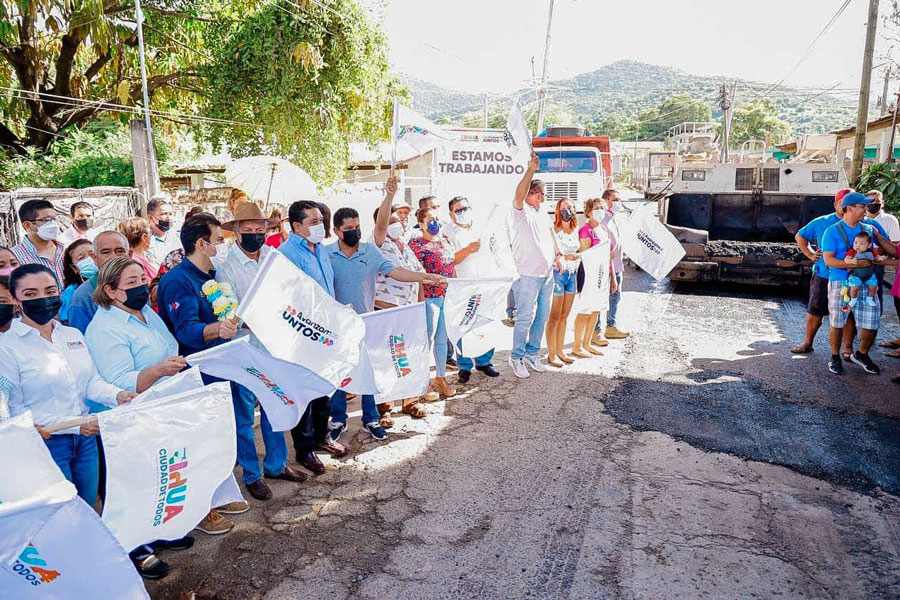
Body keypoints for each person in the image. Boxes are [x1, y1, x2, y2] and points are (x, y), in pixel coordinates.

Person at [84, 256, 191, 579]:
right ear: (110, 290)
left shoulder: (144, 312)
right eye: (131, 283)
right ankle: (135, 548)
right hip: (125, 419)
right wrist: (159, 370)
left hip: (158, 410)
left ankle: (159, 532)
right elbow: (119, 382)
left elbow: (166, 346)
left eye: (142, 280)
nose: (141, 287)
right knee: (127, 486)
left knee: (154, 478)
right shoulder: (105, 328)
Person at [0, 264, 135, 506]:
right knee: (61, 514)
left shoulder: (72, 335)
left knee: (87, 506)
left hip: (86, 441)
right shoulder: (6, 348)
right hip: (46, 445)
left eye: (50, 291)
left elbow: (90, 382)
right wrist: (73, 427)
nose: (43, 299)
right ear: (15, 299)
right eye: (30, 294)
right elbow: (14, 409)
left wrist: (118, 395)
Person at [329, 184, 447, 442]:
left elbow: (397, 272)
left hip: (369, 321)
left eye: (357, 227)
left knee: (370, 370)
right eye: (348, 228)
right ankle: (337, 419)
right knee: (342, 372)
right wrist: (389, 195)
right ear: (337, 231)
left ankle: (371, 418)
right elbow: (381, 225)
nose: (354, 231)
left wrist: (426, 277)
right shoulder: (327, 255)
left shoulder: (370, 251)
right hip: (340, 323)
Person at [157, 212, 248, 535]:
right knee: (200, 443)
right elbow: (186, 330)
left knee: (218, 440)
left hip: (221, 368)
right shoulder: (178, 280)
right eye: (219, 240)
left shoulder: (212, 274)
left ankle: (218, 495)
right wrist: (216, 329)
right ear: (201, 244)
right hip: (196, 374)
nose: (223, 246)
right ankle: (200, 510)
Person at [215, 204, 308, 496]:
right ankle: (251, 473)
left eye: (259, 230)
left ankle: (277, 464)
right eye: (248, 230)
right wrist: (260, 317)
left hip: (275, 348)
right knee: (245, 416)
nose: (254, 235)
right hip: (244, 350)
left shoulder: (272, 258)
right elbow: (228, 314)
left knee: (276, 407)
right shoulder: (226, 267)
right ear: (236, 232)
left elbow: (290, 292)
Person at [280, 200, 350, 463]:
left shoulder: (320, 249)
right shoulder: (286, 254)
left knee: (324, 386)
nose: (320, 226)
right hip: (304, 332)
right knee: (303, 391)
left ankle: (322, 436)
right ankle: (304, 448)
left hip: (327, 329)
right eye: (313, 222)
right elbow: (289, 297)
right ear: (297, 226)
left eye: (321, 220)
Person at [792, 188, 888, 355]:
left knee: (849, 315)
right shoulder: (825, 223)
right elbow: (800, 237)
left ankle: (848, 348)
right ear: (838, 205)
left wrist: (872, 258)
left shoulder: (868, 225)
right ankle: (808, 342)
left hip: (858, 278)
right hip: (825, 274)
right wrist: (810, 254)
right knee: (816, 310)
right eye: (861, 206)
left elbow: (884, 244)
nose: (865, 209)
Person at [821, 192, 897, 375]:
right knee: (837, 321)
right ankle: (835, 357)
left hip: (867, 282)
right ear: (850, 208)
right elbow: (829, 260)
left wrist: (889, 261)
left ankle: (862, 354)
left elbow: (875, 255)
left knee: (872, 321)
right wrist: (854, 264)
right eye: (862, 206)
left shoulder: (869, 229)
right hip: (841, 282)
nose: (866, 210)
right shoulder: (832, 231)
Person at [370, 203, 432, 418]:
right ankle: (385, 408)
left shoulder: (405, 246)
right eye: (391, 222)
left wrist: (420, 307)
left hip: (409, 312)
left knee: (409, 357)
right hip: (387, 311)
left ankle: (410, 401)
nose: (397, 224)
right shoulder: (377, 243)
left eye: (398, 221)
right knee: (387, 358)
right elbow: (381, 226)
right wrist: (389, 196)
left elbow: (419, 277)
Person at [508, 152, 558, 378]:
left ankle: (531, 353)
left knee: (542, 315)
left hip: (547, 274)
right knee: (525, 317)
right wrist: (530, 170)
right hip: (527, 274)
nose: (543, 199)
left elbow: (550, 235)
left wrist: (558, 255)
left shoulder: (542, 212)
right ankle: (516, 356)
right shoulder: (521, 211)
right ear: (534, 193)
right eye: (542, 195)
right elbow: (518, 195)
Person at [443, 195, 501, 382]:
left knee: (485, 322)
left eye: (465, 208)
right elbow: (448, 260)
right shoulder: (446, 232)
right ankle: (464, 365)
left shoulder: (482, 227)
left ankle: (484, 361)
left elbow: (496, 251)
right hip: (463, 286)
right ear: (451, 214)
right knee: (463, 325)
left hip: (485, 283)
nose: (463, 213)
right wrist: (467, 250)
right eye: (458, 210)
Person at [408, 206, 458, 399]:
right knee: (426, 341)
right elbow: (413, 274)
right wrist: (434, 281)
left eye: (436, 218)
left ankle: (440, 378)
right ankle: (423, 382)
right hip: (429, 298)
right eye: (430, 220)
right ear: (421, 224)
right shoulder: (416, 245)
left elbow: (451, 266)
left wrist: (454, 285)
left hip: (446, 297)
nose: (434, 223)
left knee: (442, 339)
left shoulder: (444, 241)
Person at [67, 231, 130, 334]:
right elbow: (82, 339)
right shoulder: (83, 298)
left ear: (130, 254)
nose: (114, 257)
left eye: (120, 251)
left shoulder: (138, 285)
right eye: (106, 252)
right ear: (94, 258)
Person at [545, 198, 583, 364]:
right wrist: (564, 257)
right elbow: (550, 252)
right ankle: (551, 353)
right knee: (554, 316)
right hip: (558, 274)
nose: (567, 210)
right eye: (564, 207)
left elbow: (580, 251)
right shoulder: (554, 230)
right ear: (558, 210)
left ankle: (560, 351)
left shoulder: (575, 230)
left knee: (564, 316)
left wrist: (575, 256)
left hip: (572, 275)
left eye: (570, 207)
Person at [11, 199, 66, 287]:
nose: (53, 224)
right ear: (28, 225)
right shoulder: (14, 257)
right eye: (46, 220)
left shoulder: (66, 250)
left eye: (54, 219)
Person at [597, 189, 628, 341]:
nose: (618, 203)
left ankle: (611, 327)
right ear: (606, 201)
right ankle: (596, 330)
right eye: (615, 200)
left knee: (615, 297)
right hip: (607, 267)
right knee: (601, 299)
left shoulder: (614, 218)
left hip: (617, 265)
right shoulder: (602, 220)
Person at [840, 231, 883, 310]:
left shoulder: (871, 251)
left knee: (873, 286)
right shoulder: (852, 252)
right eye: (856, 243)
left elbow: (875, 258)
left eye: (862, 244)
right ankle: (853, 299)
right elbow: (846, 259)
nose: (858, 245)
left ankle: (869, 298)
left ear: (869, 245)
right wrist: (851, 261)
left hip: (869, 275)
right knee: (855, 288)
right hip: (856, 275)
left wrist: (879, 258)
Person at [59, 239, 93, 323]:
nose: (89, 259)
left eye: (92, 254)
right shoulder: (72, 293)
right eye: (81, 258)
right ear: (74, 268)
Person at [118, 216, 160, 281]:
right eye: (150, 232)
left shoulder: (146, 255)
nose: (152, 236)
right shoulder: (135, 263)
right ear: (144, 237)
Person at [146, 193, 180, 262]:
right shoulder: (145, 240)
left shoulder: (178, 237)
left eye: (170, 214)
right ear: (150, 217)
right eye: (164, 214)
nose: (168, 218)